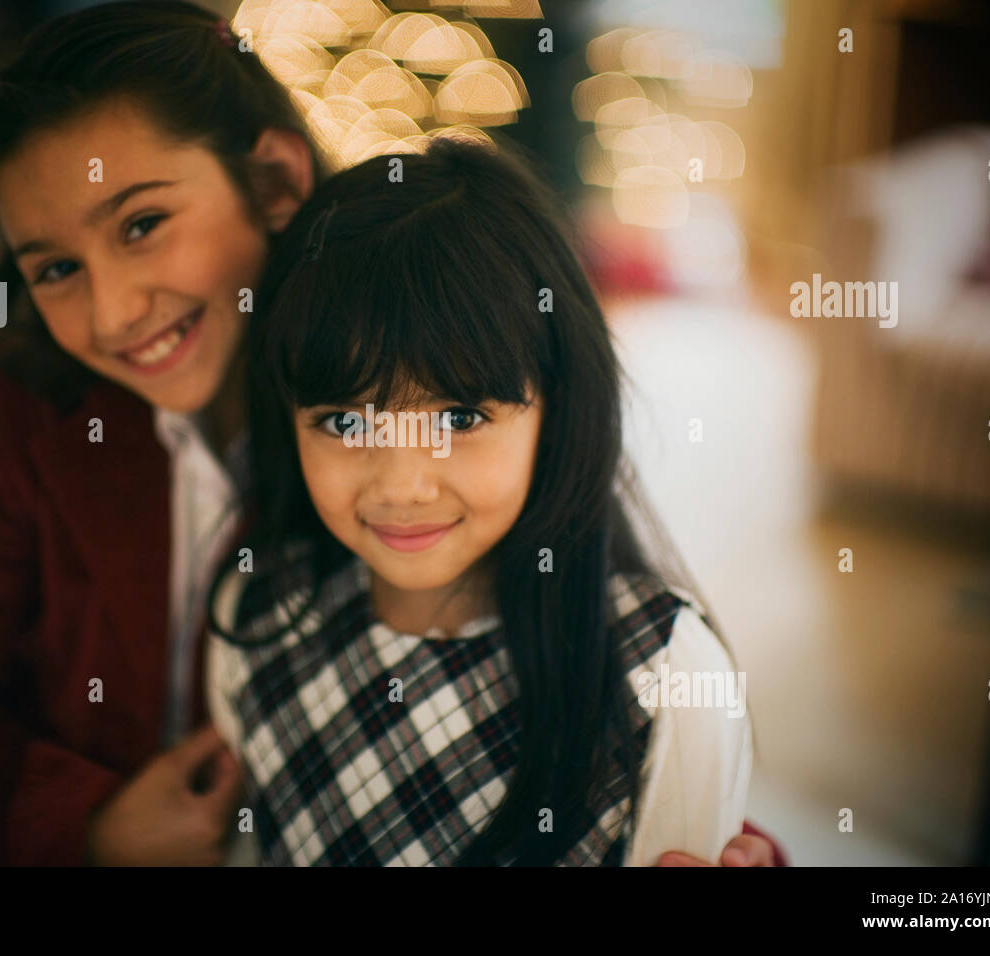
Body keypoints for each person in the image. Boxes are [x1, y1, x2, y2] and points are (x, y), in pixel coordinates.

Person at [0, 0, 783, 868]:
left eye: (144, 224)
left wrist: (719, 837)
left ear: (274, 182)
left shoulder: (422, 327)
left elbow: (611, 682)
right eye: (57, 268)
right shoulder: (27, 404)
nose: (115, 310)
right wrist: (87, 829)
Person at [204, 136, 766, 866]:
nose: (403, 485)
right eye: (344, 422)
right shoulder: (259, 613)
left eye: (459, 418)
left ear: (556, 408)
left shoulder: (663, 678)